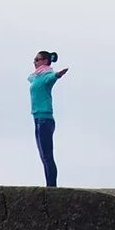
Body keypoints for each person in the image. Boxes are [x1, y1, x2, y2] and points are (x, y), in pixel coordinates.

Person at [29, 51, 69, 187]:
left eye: (37, 59)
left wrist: (58, 75)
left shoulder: (46, 76)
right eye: (34, 59)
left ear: (45, 61)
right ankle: (49, 185)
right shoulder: (36, 77)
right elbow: (33, 78)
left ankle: (51, 187)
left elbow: (53, 77)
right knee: (43, 156)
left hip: (45, 119)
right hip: (37, 119)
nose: (34, 62)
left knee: (47, 156)